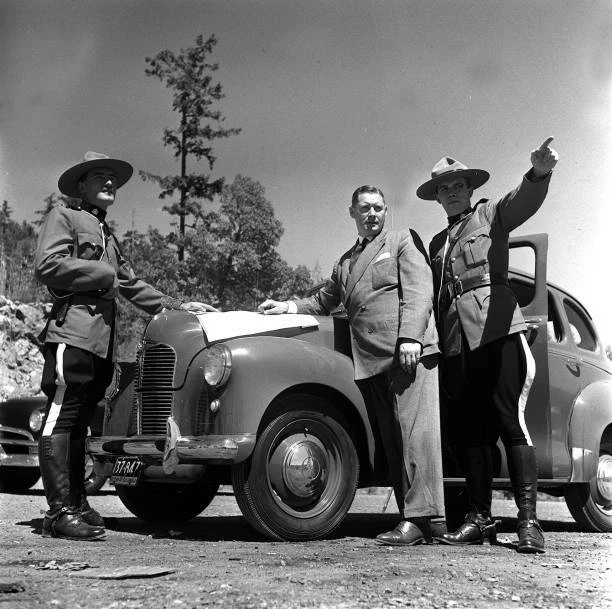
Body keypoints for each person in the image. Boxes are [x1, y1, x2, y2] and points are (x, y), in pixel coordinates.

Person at [34, 151, 216, 541]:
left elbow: (131, 284)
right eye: (100, 176)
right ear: (81, 185)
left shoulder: (107, 233)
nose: (109, 183)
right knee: (60, 418)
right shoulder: (63, 217)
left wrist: (175, 305)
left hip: (100, 344)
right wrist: (103, 272)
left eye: (113, 178)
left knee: (82, 424)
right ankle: (58, 512)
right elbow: (47, 265)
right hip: (72, 335)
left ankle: (77, 503)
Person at [259, 185, 445, 546]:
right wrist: (288, 307)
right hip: (372, 360)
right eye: (364, 208)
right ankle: (423, 519)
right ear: (352, 213)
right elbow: (322, 300)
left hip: (408, 352)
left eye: (378, 207)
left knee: (415, 438)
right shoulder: (344, 262)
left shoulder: (402, 240)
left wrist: (411, 337)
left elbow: (420, 291)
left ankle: (422, 520)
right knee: (393, 441)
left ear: (386, 210)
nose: (372, 214)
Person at [419, 138, 559, 554]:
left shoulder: (489, 213)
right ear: (438, 197)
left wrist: (538, 173)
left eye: (457, 184)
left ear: (468, 187)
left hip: (496, 329)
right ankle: (479, 518)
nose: (451, 192)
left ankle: (528, 520)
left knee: (508, 422)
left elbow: (522, 201)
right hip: (456, 343)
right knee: (470, 434)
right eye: (443, 188)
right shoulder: (436, 244)